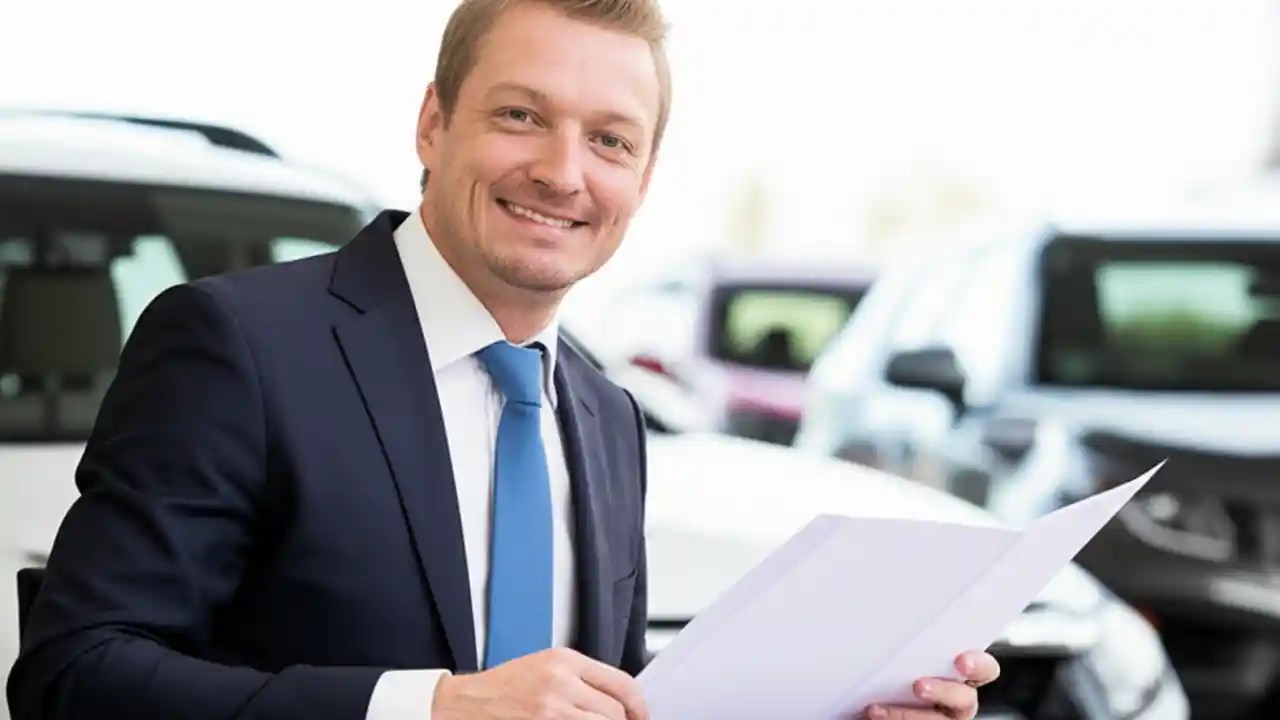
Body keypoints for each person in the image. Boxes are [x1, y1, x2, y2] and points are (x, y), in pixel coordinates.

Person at [6, 1, 1000, 719]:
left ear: (643, 177)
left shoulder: (606, 417)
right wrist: (427, 710)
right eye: (521, 115)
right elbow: (75, 676)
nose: (562, 173)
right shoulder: (235, 346)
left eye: (608, 140)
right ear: (433, 122)